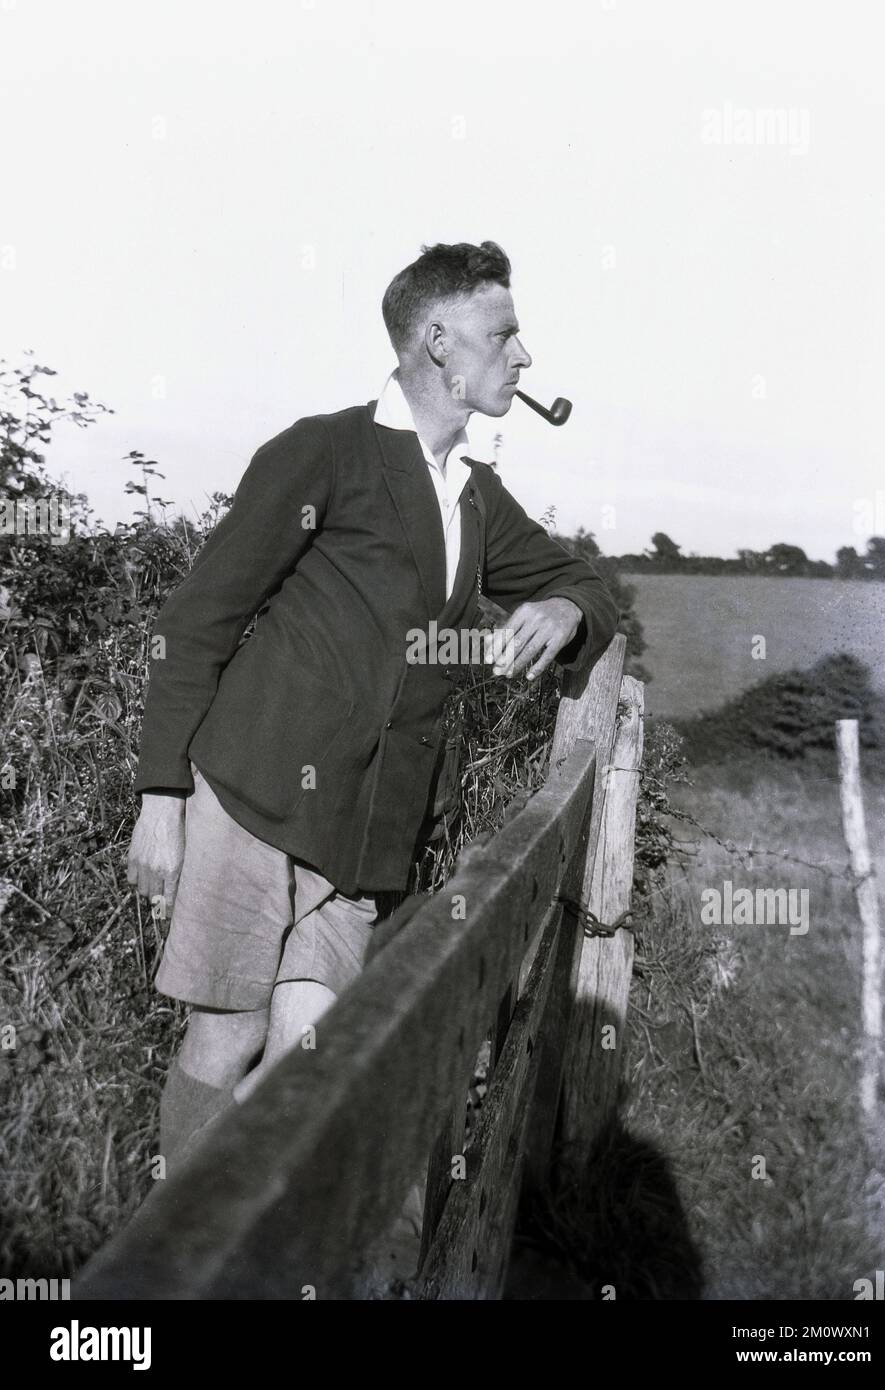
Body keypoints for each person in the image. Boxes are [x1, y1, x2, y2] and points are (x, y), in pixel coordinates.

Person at [126, 239, 620, 1176]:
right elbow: (196, 623)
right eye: (503, 334)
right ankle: (173, 1265)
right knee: (225, 1043)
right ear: (438, 341)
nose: (523, 357)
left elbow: (579, 581)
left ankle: (255, 1255)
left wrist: (561, 605)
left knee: (304, 1068)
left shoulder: (472, 495)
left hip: (366, 830)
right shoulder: (323, 451)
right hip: (254, 801)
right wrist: (160, 797)